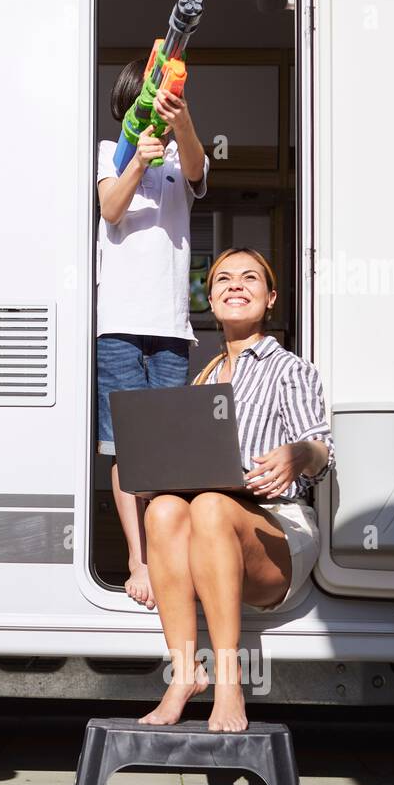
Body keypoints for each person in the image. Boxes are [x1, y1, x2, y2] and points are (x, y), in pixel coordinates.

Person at [139, 248, 335, 732]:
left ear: (270, 298)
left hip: (277, 530)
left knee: (209, 505)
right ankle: (185, 671)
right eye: (223, 279)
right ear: (211, 299)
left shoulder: (289, 368)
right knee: (164, 509)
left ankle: (230, 683)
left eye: (250, 278)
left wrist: (298, 455)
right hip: (213, 528)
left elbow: (323, 449)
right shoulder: (203, 376)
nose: (235, 285)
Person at [97, 60, 209, 607]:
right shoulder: (107, 152)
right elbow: (111, 209)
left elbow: (196, 171)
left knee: (165, 451)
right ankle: (137, 559)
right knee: (125, 449)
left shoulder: (177, 153)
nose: (158, 108)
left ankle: (165, 555)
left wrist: (180, 122)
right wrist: (136, 162)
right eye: (150, 100)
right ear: (127, 105)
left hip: (170, 326)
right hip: (117, 324)